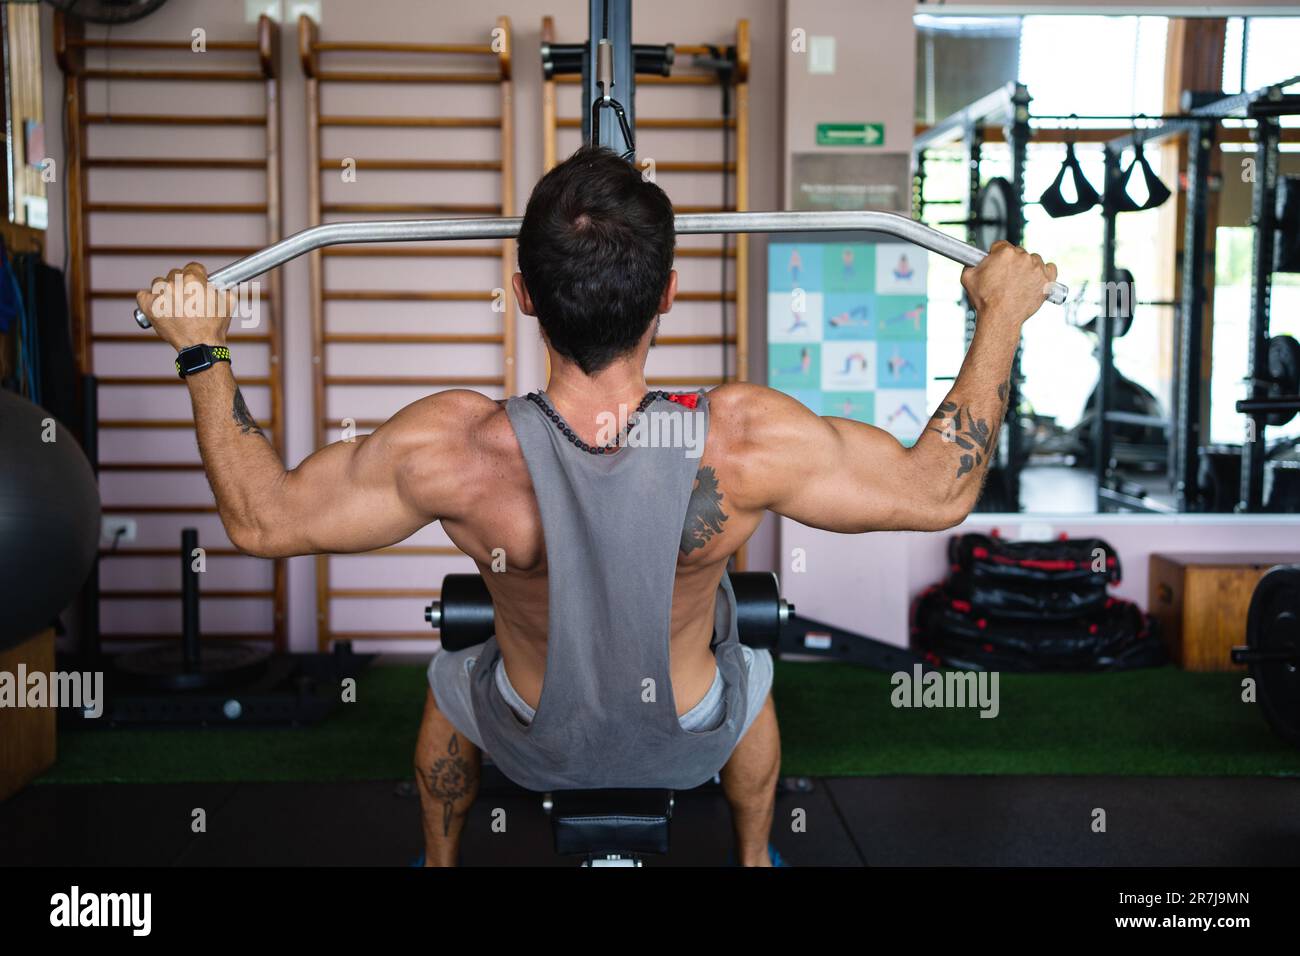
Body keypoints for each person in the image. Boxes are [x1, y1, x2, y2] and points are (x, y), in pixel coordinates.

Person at [136, 145, 1056, 868]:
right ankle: (751, 855)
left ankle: (442, 859)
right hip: (691, 738)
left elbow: (261, 520)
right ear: (667, 295)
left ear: (525, 296)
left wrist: (201, 350)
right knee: (751, 656)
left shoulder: (453, 449)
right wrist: (1003, 317)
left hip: (531, 741)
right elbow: (940, 489)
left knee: (454, 672)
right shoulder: (743, 440)